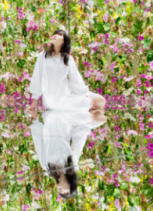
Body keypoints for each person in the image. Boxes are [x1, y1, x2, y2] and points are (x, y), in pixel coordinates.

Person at [26, 30, 107, 198]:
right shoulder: (42, 57)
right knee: (96, 106)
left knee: (99, 102)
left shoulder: (47, 167)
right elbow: (37, 78)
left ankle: (88, 105)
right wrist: (34, 101)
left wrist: (84, 94)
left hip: (67, 96)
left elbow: (76, 80)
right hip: (52, 100)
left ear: (64, 41)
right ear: (70, 184)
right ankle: (87, 108)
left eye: (59, 35)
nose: (54, 35)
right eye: (65, 191)